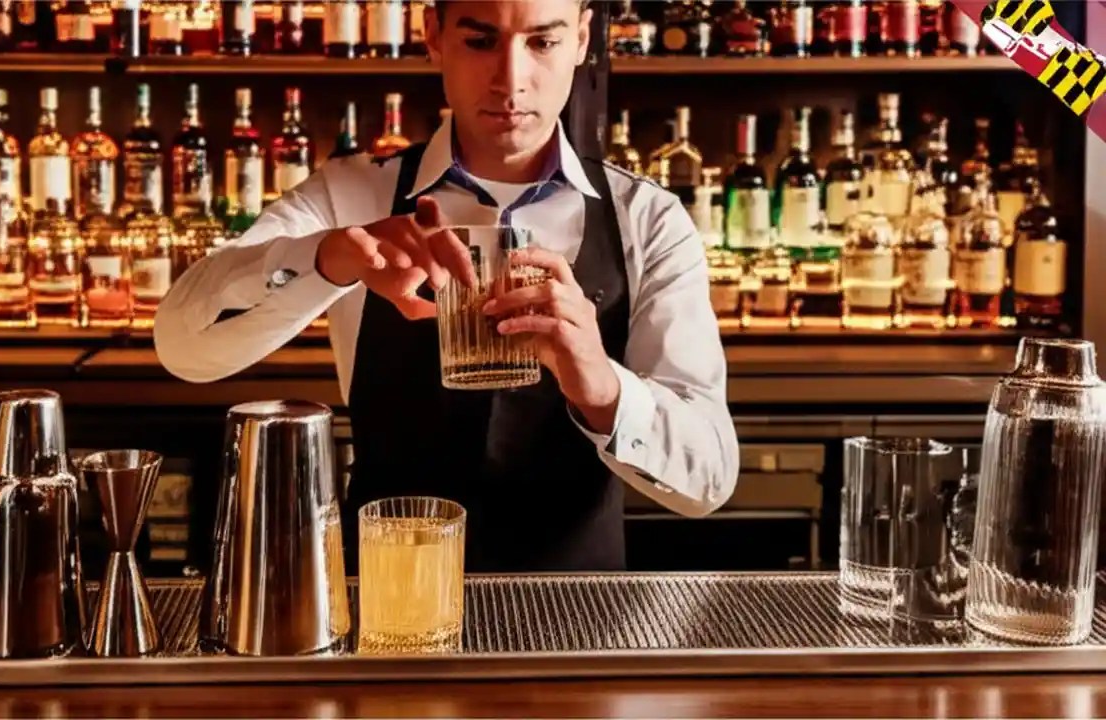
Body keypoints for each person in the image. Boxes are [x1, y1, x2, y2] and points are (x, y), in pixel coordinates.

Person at [154, 0, 739, 572]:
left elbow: (709, 479)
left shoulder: (647, 218)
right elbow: (183, 346)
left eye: (543, 41)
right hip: (385, 603)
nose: (511, 80)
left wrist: (605, 388)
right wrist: (329, 258)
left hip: (577, 611)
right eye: (480, 41)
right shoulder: (350, 195)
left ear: (582, 40)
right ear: (433, 33)